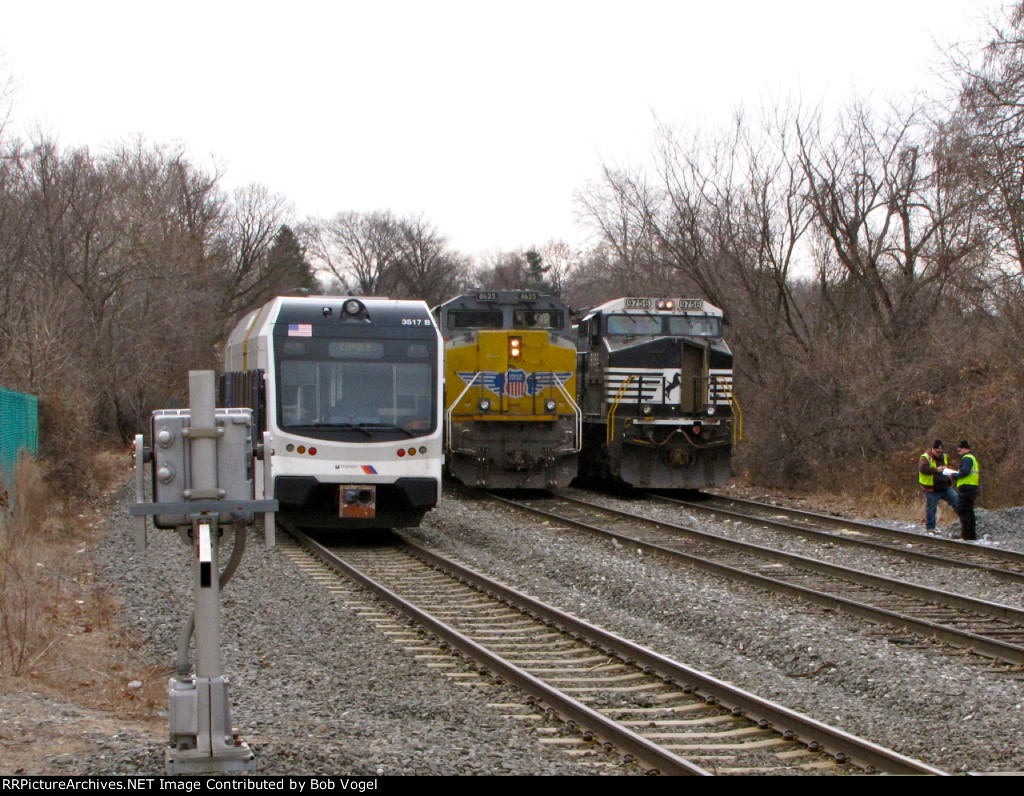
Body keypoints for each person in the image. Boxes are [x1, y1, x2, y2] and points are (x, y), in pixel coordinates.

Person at [919, 440, 959, 535]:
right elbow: (922, 469)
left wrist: (951, 472)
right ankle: (931, 528)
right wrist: (936, 470)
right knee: (931, 508)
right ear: (932, 449)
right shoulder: (925, 457)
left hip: (945, 486)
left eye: (941, 452)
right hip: (931, 488)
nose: (939, 454)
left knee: (957, 501)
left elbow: (948, 465)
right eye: (937, 452)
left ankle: (965, 523)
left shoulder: (944, 457)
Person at [954, 440, 980, 541]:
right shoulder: (972, 458)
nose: (958, 451)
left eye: (959, 449)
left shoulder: (967, 458)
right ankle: (969, 535)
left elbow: (964, 472)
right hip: (971, 487)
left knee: (965, 511)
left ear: (964, 448)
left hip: (967, 488)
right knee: (968, 511)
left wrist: (954, 475)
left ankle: (967, 535)